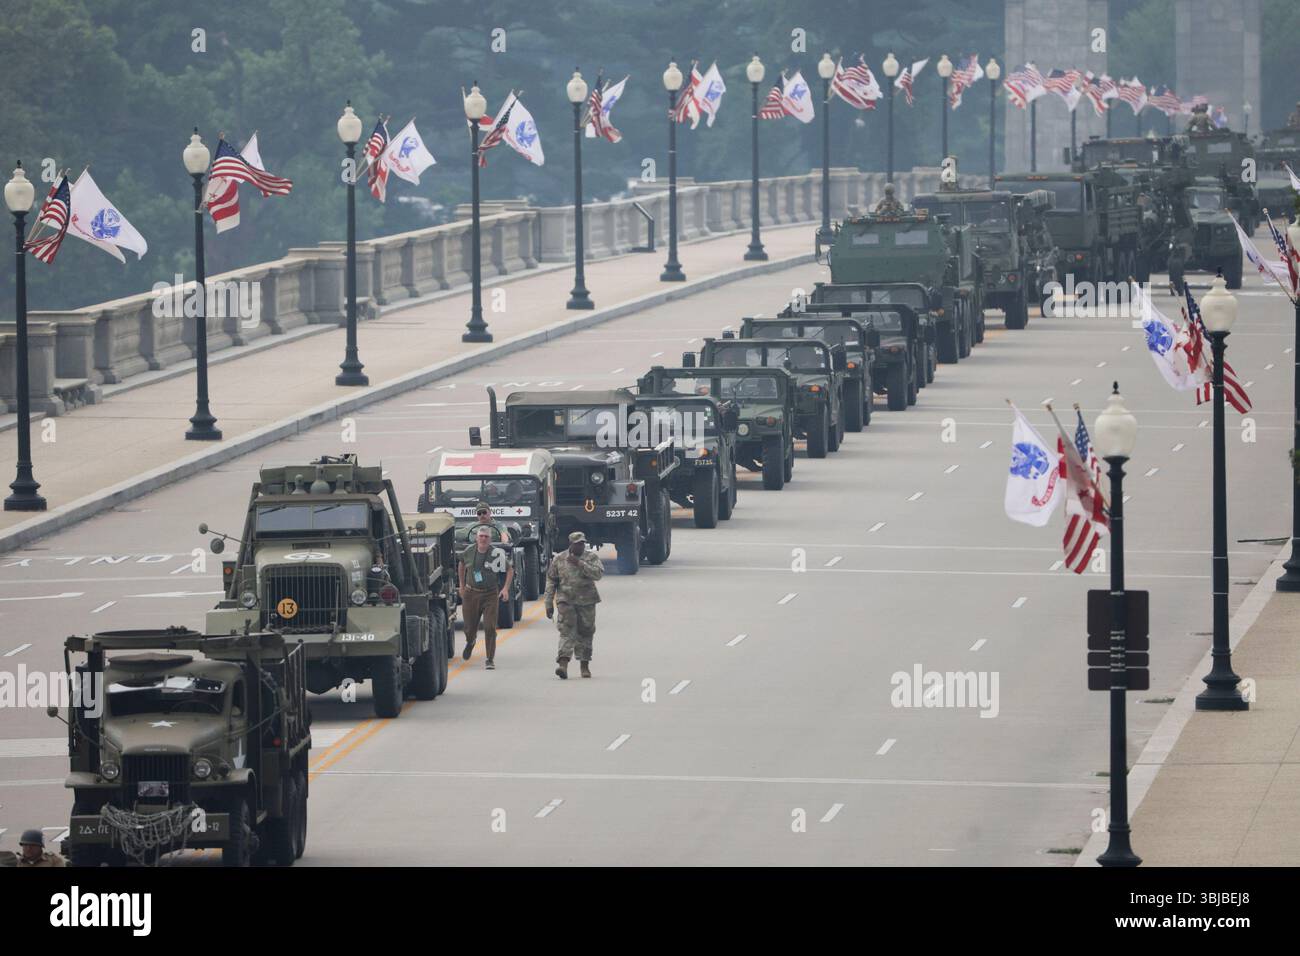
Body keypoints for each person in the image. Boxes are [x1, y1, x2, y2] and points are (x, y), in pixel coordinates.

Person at [545, 531, 604, 679]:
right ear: (571, 544)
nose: (581, 546)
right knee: (567, 631)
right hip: (566, 600)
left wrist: (579, 563)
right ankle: (563, 665)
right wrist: (548, 603)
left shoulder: (591, 557)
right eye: (578, 544)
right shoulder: (559, 559)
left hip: (587, 601)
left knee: (586, 632)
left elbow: (598, 574)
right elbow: (551, 580)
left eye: (583, 543)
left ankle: (584, 665)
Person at [458, 527, 513, 669]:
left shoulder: (496, 553)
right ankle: (470, 642)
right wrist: (462, 585)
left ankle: (489, 659)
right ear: (476, 538)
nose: (483, 539)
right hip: (471, 594)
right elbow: (462, 564)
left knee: (489, 627)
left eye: (486, 537)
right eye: (481, 536)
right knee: (469, 628)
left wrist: (505, 588)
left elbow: (510, 570)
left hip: (490, 594)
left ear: (490, 539)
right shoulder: (469, 551)